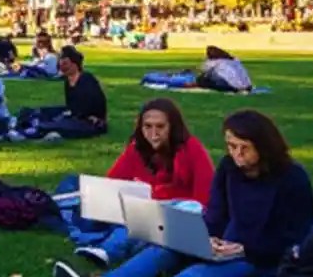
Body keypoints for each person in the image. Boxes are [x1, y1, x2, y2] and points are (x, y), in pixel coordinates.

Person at [53, 109, 313, 277]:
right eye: (231, 146)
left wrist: (243, 249)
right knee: (162, 250)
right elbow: (216, 212)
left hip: (258, 257)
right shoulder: (229, 167)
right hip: (222, 244)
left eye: (243, 148)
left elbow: (296, 236)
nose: (236, 154)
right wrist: (207, 236)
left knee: (193, 276)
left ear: (264, 146)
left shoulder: (292, 179)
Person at [73, 98, 215, 267]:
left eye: (160, 127)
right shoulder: (137, 149)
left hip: (180, 216)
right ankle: (108, 244)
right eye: (147, 126)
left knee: (138, 223)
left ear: (173, 127)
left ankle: (107, 250)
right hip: (143, 210)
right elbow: (113, 181)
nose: (153, 133)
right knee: (78, 192)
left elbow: (205, 198)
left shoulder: (191, 149)